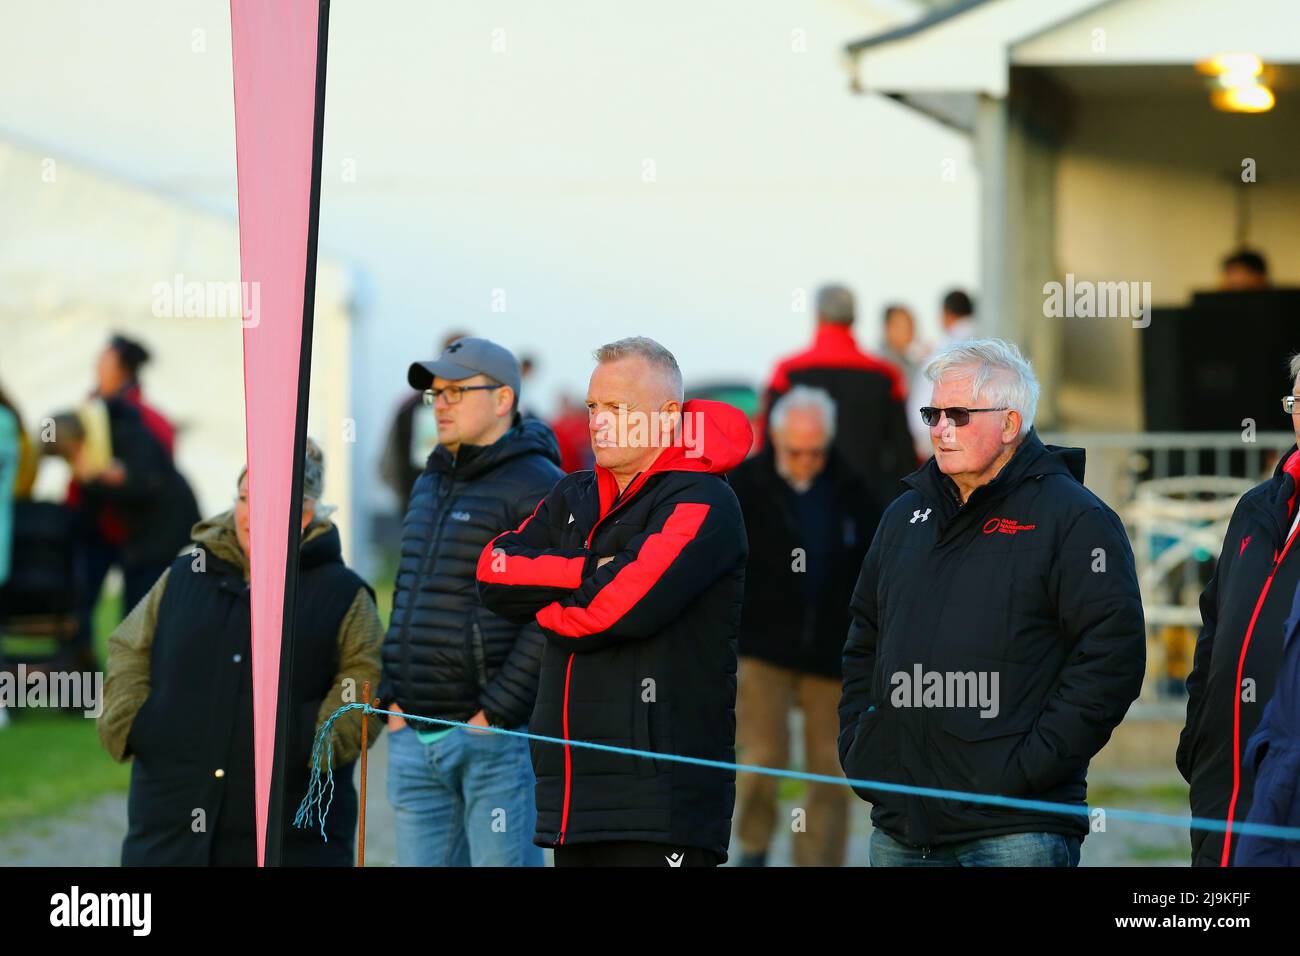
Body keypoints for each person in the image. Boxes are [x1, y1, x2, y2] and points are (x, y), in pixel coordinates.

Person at [839, 338, 1145, 867]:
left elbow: (1111, 658)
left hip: (1016, 828)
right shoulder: (904, 514)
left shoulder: (1074, 519)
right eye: (933, 413)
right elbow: (864, 635)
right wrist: (864, 744)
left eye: (958, 414)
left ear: (1009, 424)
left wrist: (1025, 767)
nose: (939, 428)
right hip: (902, 826)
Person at [477, 336, 751, 867]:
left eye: (617, 408)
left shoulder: (704, 500)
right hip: (572, 794)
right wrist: (584, 570)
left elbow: (614, 609)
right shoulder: (572, 492)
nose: (598, 421)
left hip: (659, 800)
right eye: (594, 407)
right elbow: (493, 570)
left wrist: (545, 598)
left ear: (667, 415)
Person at [98, 439, 383, 865]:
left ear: (304, 515)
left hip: (291, 844)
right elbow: (127, 647)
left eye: (265, 500)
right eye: (245, 498)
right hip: (168, 836)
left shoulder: (343, 594)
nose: (249, 514)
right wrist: (136, 722)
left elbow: (362, 686)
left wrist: (307, 742)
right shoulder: (185, 573)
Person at [379, 336, 563, 867]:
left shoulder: (541, 486)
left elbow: (553, 610)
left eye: (457, 391)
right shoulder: (430, 480)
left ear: (503, 399)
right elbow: (410, 591)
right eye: (435, 393)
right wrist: (394, 700)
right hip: (413, 734)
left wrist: (497, 713)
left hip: (493, 741)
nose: (440, 403)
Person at [729, 385, 879, 867]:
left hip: (832, 652)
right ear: (775, 439)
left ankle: (815, 861)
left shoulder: (853, 491)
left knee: (831, 770)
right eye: (796, 451)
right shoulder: (744, 488)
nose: (806, 461)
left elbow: (872, 570)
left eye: (816, 451)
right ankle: (752, 849)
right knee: (761, 758)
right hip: (761, 647)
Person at [1178, 352, 1300, 866]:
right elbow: (1213, 631)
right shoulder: (1258, 507)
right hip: (1223, 797)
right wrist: (1197, 742)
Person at [47, 399, 199, 668]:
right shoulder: (101, 448)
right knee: (135, 609)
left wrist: (112, 479)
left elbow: (146, 484)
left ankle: (149, 675)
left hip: (160, 533)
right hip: (140, 539)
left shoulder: (127, 435)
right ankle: (136, 673)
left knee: (144, 608)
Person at [762, 284, 914, 507]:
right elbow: (903, 452)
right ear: (853, 318)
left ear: (818, 317)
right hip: (869, 503)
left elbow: (769, 446)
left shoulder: (787, 373)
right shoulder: (885, 376)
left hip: (802, 502)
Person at [380, 330, 470, 515]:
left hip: (420, 510)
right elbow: (389, 465)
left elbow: (387, 467)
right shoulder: (410, 408)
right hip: (422, 511)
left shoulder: (409, 406)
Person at [908, 289, 977, 457]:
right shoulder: (996, 339)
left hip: (945, 444)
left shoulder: (943, 350)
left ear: (946, 314)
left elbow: (921, 412)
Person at [95, 334, 176, 458]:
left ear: (123, 371)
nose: (98, 366)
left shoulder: (152, 423)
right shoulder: (92, 410)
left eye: (105, 361)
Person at [880, 304, 925, 385]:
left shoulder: (911, 363)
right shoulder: (879, 364)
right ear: (888, 328)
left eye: (912, 325)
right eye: (906, 325)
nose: (912, 331)